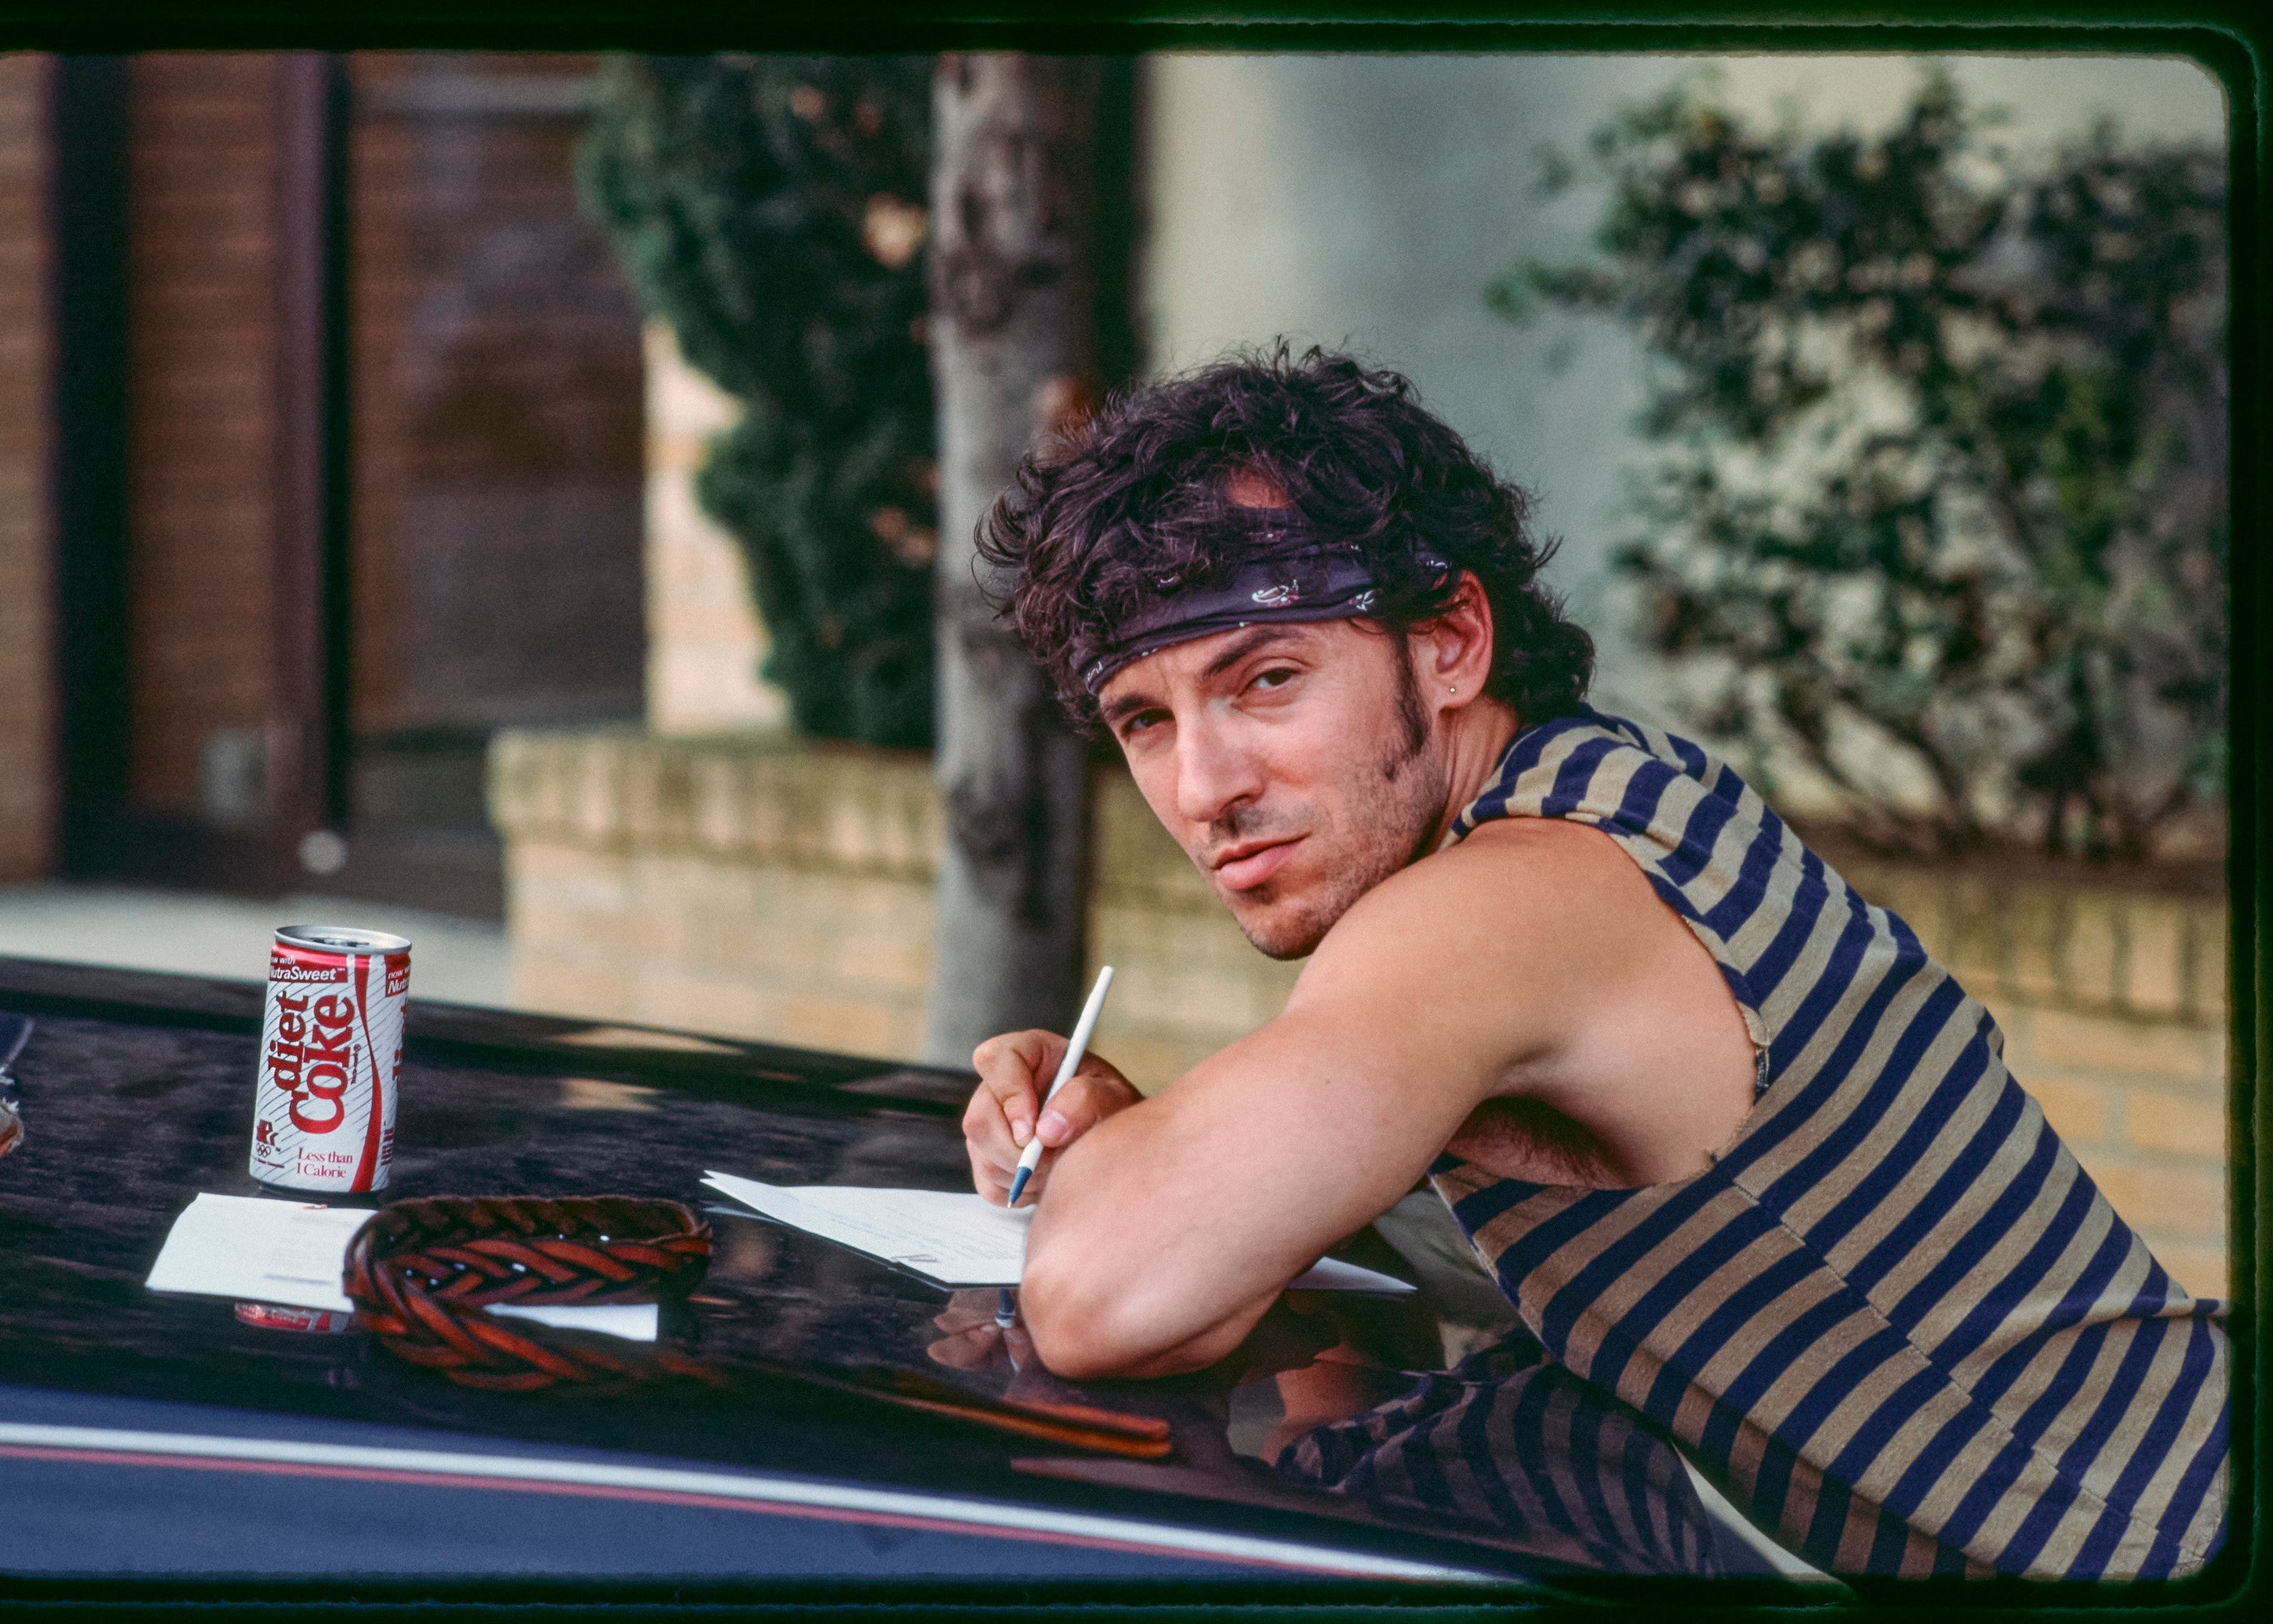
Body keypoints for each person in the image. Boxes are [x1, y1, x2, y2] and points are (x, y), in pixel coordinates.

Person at [953, 343, 2228, 1581]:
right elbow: (1315, 1337)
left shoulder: (1523, 896)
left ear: (1452, 641)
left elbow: (1107, 1301)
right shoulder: (1605, 801)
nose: (1204, 786)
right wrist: (1143, 1150)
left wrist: (1110, 1167)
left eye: (1269, 679)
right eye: (1145, 720)